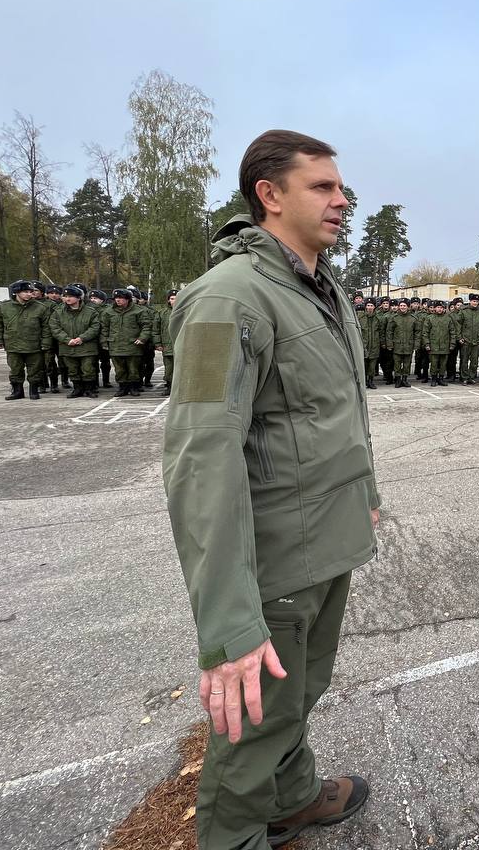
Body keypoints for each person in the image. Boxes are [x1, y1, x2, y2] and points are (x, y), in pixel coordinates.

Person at [163, 130, 379, 849]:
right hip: (279, 555)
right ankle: (235, 835)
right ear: (270, 194)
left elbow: (338, 410)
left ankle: (289, 801)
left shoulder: (317, 287)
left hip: (329, 537)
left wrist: (366, 489)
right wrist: (228, 625)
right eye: (323, 187)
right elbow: (202, 461)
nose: (342, 200)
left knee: (299, 694)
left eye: (341, 188)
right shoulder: (230, 300)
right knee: (254, 723)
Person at [0, 279, 51, 400]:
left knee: (35, 369)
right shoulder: (4, 307)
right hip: (13, 344)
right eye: (25, 292)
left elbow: (46, 327)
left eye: (31, 291)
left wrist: (45, 343)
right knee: (15, 369)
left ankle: (34, 390)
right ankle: (17, 391)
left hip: (34, 345)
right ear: (16, 292)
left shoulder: (40, 308)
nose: (29, 294)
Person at [50, 284, 102, 398]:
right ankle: (77, 389)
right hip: (67, 346)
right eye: (65, 296)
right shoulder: (58, 312)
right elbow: (55, 328)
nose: (68, 299)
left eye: (71, 296)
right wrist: (67, 340)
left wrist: (81, 338)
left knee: (88, 369)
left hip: (86, 346)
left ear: (79, 298)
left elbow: (95, 327)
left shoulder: (91, 311)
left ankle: (89, 389)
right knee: (72, 369)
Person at [102, 288, 151, 397]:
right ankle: (122, 387)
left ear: (128, 299)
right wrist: (104, 342)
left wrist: (142, 338)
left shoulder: (139, 311)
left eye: (120, 298)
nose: (118, 300)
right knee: (119, 369)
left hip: (133, 345)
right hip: (115, 345)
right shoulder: (108, 312)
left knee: (133, 369)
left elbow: (146, 326)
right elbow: (104, 328)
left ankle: (134, 387)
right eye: (116, 298)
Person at [385, 298, 417, 388]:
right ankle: (398, 379)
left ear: (408, 307)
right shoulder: (394, 318)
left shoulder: (413, 318)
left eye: (404, 305)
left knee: (407, 363)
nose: (402, 307)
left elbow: (417, 332)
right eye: (401, 305)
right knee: (397, 363)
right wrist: (390, 344)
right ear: (399, 307)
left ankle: (405, 379)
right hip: (397, 345)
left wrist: (416, 344)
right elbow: (389, 331)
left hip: (409, 345)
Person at [154, 289, 180, 395]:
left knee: (181, 368)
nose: (174, 300)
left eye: (176, 298)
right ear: (168, 300)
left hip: (181, 345)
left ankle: (179, 388)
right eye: (172, 298)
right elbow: (156, 329)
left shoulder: (187, 311)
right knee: (169, 368)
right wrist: (158, 344)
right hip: (167, 345)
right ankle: (169, 387)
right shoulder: (162, 313)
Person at [458, 293, 479, 384]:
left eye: (477, 301)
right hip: (466, 339)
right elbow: (458, 325)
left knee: (474, 361)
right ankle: (464, 377)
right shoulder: (463, 311)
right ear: (470, 301)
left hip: (477, 340)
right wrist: (459, 337)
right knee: (464, 360)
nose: (475, 303)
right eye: (473, 301)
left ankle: (471, 376)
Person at [423, 299, 454, 386]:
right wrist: (427, 344)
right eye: (438, 307)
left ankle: (441, 378)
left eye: (441, 307)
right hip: (433, 346)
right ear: (434, 308)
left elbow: (452, 332)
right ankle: (433, 379)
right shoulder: (429, 318)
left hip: (445, 345)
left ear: (444, 309)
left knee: (443, 364)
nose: (439, 309)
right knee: (434, 364)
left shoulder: (448, 319)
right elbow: (425, 333)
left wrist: (452, 344)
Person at [358, 298, 381, 388]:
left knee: (372, 365)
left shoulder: (377, 318)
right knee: (363, 364)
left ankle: (371, 381)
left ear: (374, 307)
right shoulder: (361, 318)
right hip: (363, 344)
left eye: (371, 305)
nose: (370, 307)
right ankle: (363, 381)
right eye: (368, 305)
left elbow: (381, 331)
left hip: (374, 345)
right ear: (365, 306)